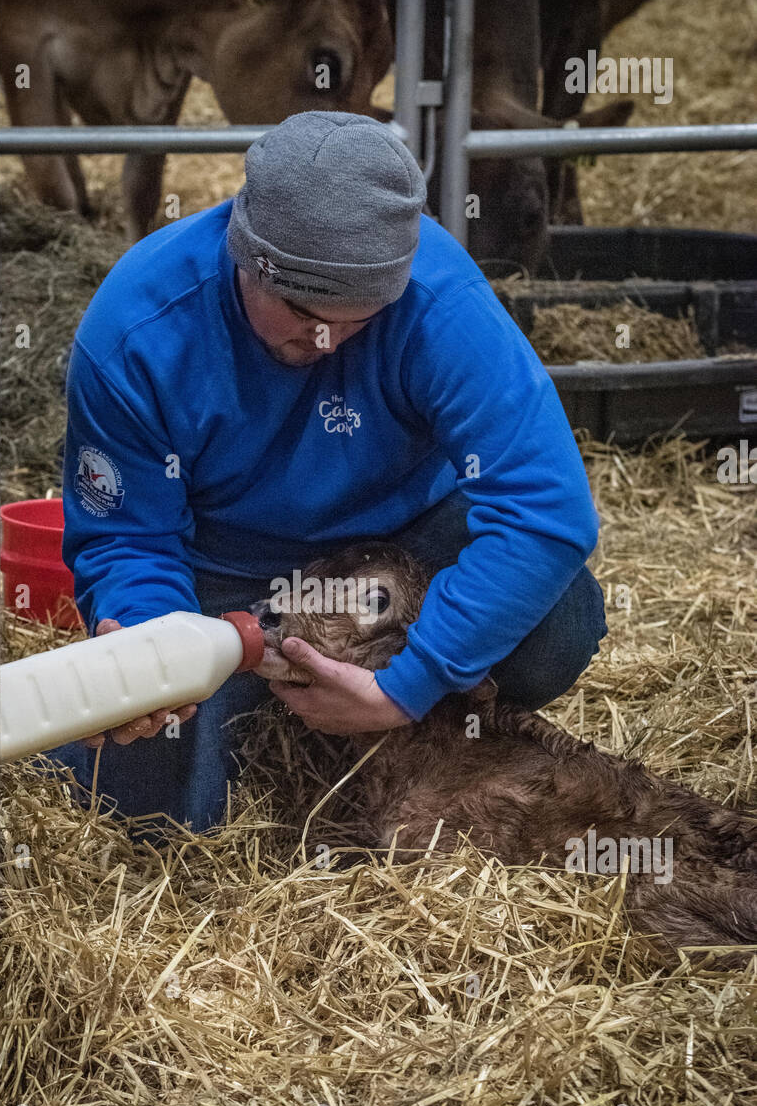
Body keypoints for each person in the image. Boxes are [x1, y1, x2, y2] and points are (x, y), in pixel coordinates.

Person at [47, 111, 607, 833]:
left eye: (359, 320)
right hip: (224, 577)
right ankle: (256, 718)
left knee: (556, 627)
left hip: (402, 551)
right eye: (304, 311)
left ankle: (383, 721)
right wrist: (161, 650)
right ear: (245, 252)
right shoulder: (138, 328)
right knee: (161, 818)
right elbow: (128, 537)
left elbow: (545, 510)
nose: (326, 339)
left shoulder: (437, 301)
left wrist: (409, 684)